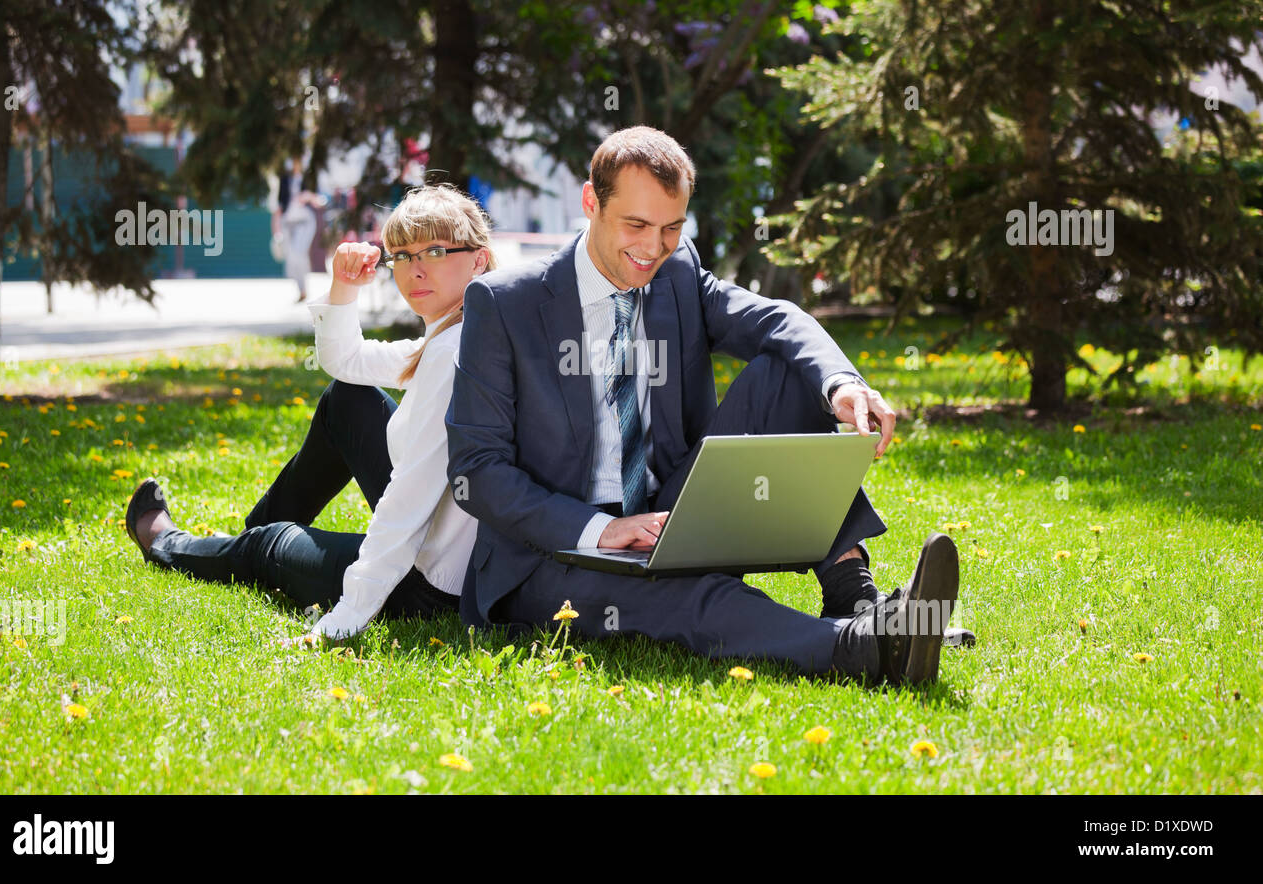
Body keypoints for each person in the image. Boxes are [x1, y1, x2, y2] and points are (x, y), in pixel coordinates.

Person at [446, 126, 969, 686]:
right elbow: (478, 470)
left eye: (672, 227)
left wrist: (842, 385)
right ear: (590, 202)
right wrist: (602, 530)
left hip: (673, 513)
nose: (653, 248)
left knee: (788, 372)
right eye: (637, 225)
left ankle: (852, 596)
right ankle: (866, 646)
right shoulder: (504, 303)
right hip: (551, 557)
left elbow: (776, 319)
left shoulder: (676, 272)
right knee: (689, 596)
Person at [124, 184, 497, 643]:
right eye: (401, 255)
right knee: (348, 398)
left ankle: (168, 545)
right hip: (453, 547)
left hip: (429, 583)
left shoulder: (451, 354)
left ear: (478, 259)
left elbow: (409, 500)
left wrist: (347, 615)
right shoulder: (460, 333)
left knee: (272, 546)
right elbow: (348, 362)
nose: (414, 270)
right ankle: (247, 544)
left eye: (435, 251)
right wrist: (344, 286)